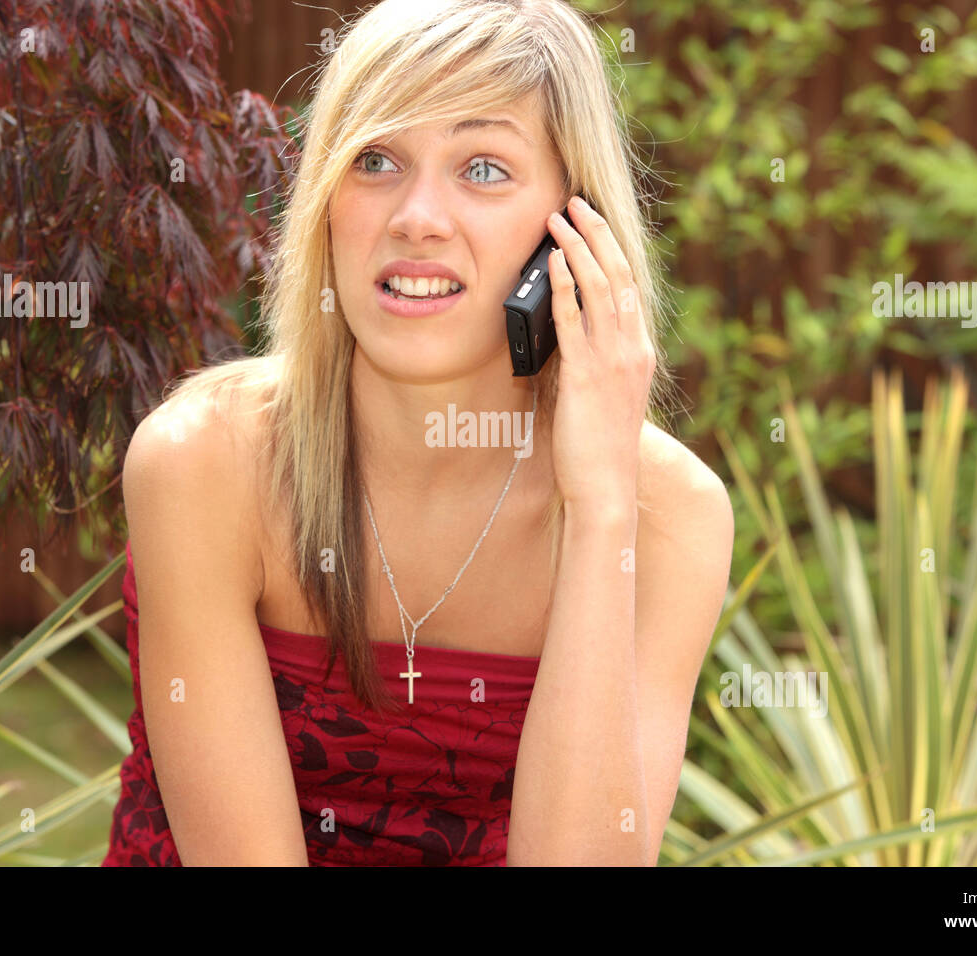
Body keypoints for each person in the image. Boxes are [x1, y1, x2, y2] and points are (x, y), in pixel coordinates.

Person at [103, 0, 733, 867]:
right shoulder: (205, 462)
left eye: (482, 167)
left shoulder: (670, 516)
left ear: (574, 230)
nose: (417, 217)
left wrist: (599, 511)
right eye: (375, 160)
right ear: (326, 202)